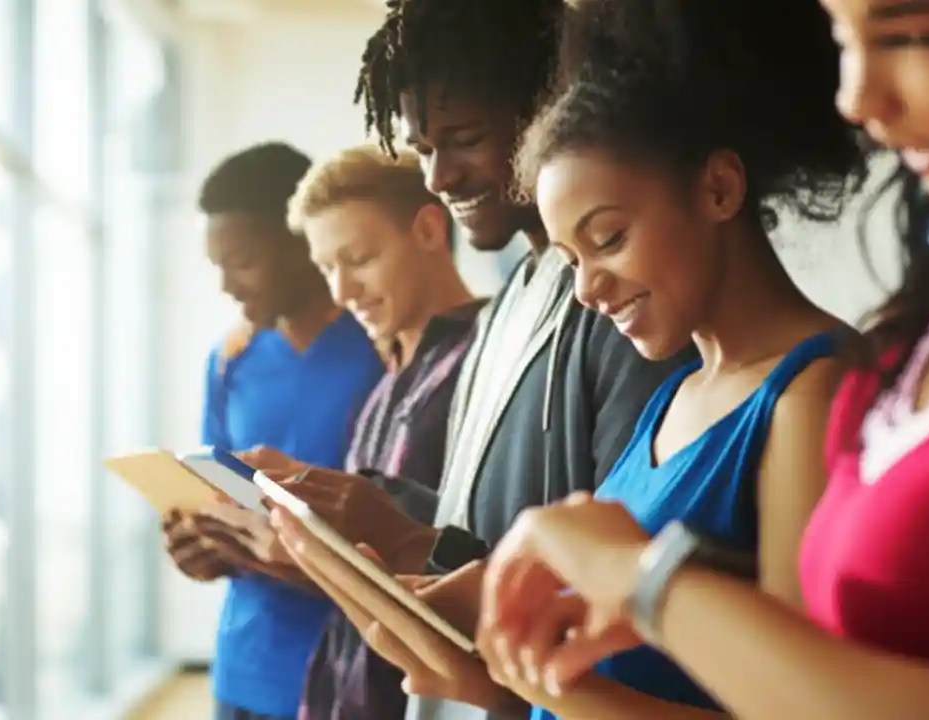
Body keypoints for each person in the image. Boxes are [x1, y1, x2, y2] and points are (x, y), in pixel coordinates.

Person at [477, 0, 929, 718]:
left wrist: (640, 582)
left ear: (720, 189)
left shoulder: (812, 389)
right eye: (843, 40)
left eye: (922, 35)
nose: (855, 98)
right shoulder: (927, 331)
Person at [248, 2, 692, 718]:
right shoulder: (512, 296)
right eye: (423, 148)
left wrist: (408, 537)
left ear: (548, 110)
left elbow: (611, 583)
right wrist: (370, 515)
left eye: (463, 140)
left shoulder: (618, 311)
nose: (438, 176)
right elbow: (481, 515)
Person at [161, 142, 385, 720]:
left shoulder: (379, 354)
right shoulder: (229, 360)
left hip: (347, 672)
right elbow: (214, 490)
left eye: (242, 262)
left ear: (299, 243)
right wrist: (200, 545)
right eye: (217, 266)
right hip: (242, 670)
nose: (228, 286)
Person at [284, 145, 483, 720]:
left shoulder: (487, 364)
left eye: (360, 258)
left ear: (427, 229)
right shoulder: (385, 384)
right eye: (327, 268)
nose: (342, 291)